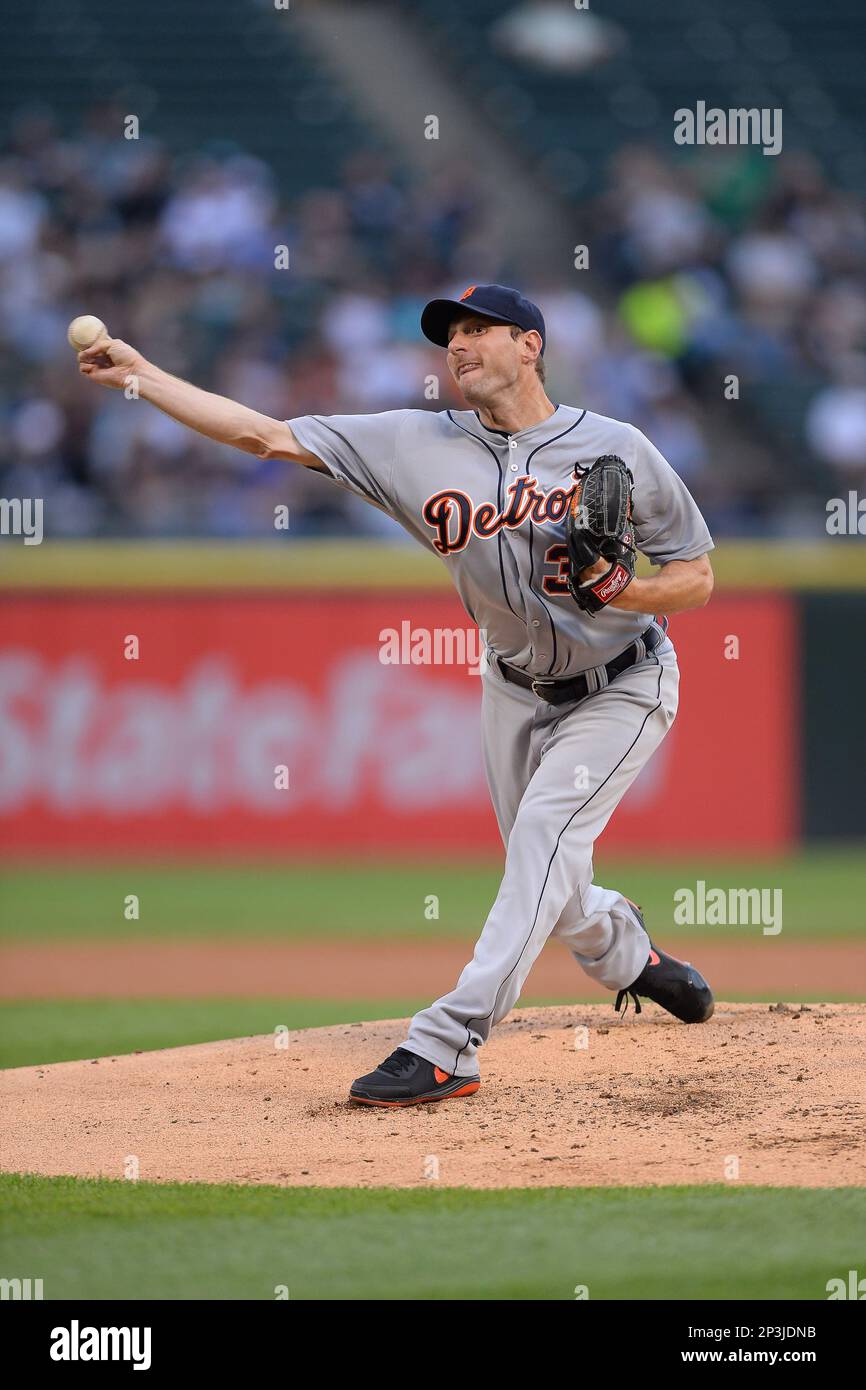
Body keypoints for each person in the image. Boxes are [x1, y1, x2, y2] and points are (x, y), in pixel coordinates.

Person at [79, 283, 715, 1108]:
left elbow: (696, 577)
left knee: (542, 842)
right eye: (448, 336)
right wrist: (142, 376)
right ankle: (627, 954)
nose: (457, 345)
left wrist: (626, 594)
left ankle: (448, 1043)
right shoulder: (410, 444)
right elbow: (263, 434)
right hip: (513, 688)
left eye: (478, 329)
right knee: (554, 885)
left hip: (626, 680)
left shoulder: (617, 445)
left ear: (530, 345)